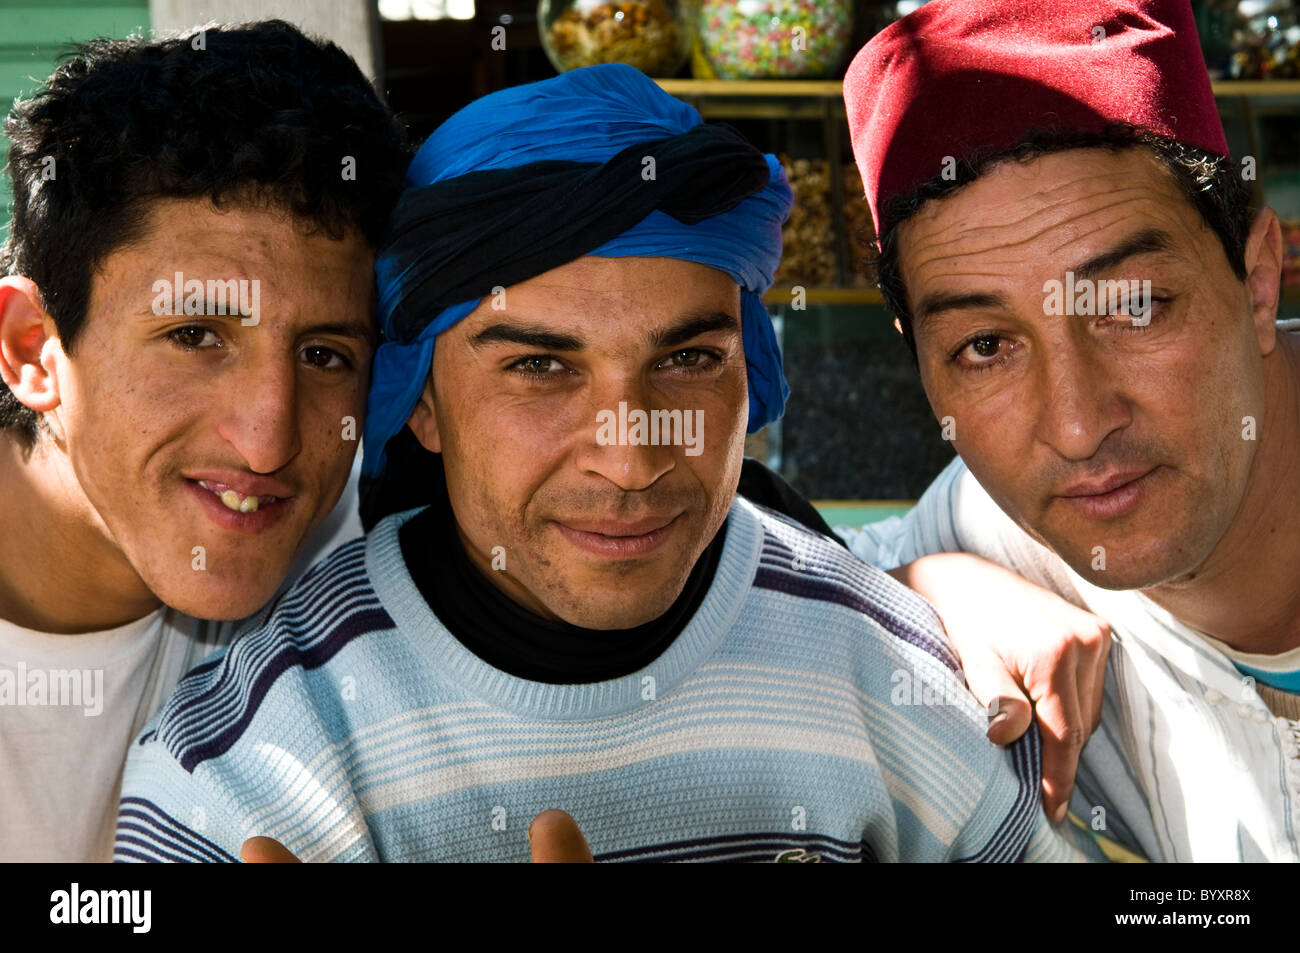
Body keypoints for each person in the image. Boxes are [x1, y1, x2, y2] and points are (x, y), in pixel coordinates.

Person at [112, 64, 1102, 864]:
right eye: (540, 367)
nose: (631, 457)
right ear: (420, 398)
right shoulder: (243, 767)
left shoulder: (892, 668)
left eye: (686, 360)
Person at [837, 0, 1300, 861]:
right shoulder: (960, 538)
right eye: (985, 346)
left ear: (1260, 280)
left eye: (1131, 308)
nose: (1079, 426)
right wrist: (912, 592)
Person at [0, 20, 410, 861]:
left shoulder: (358, 562)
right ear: (33, 350)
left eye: (325, 354)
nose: (268, 443)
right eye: (196, 335)